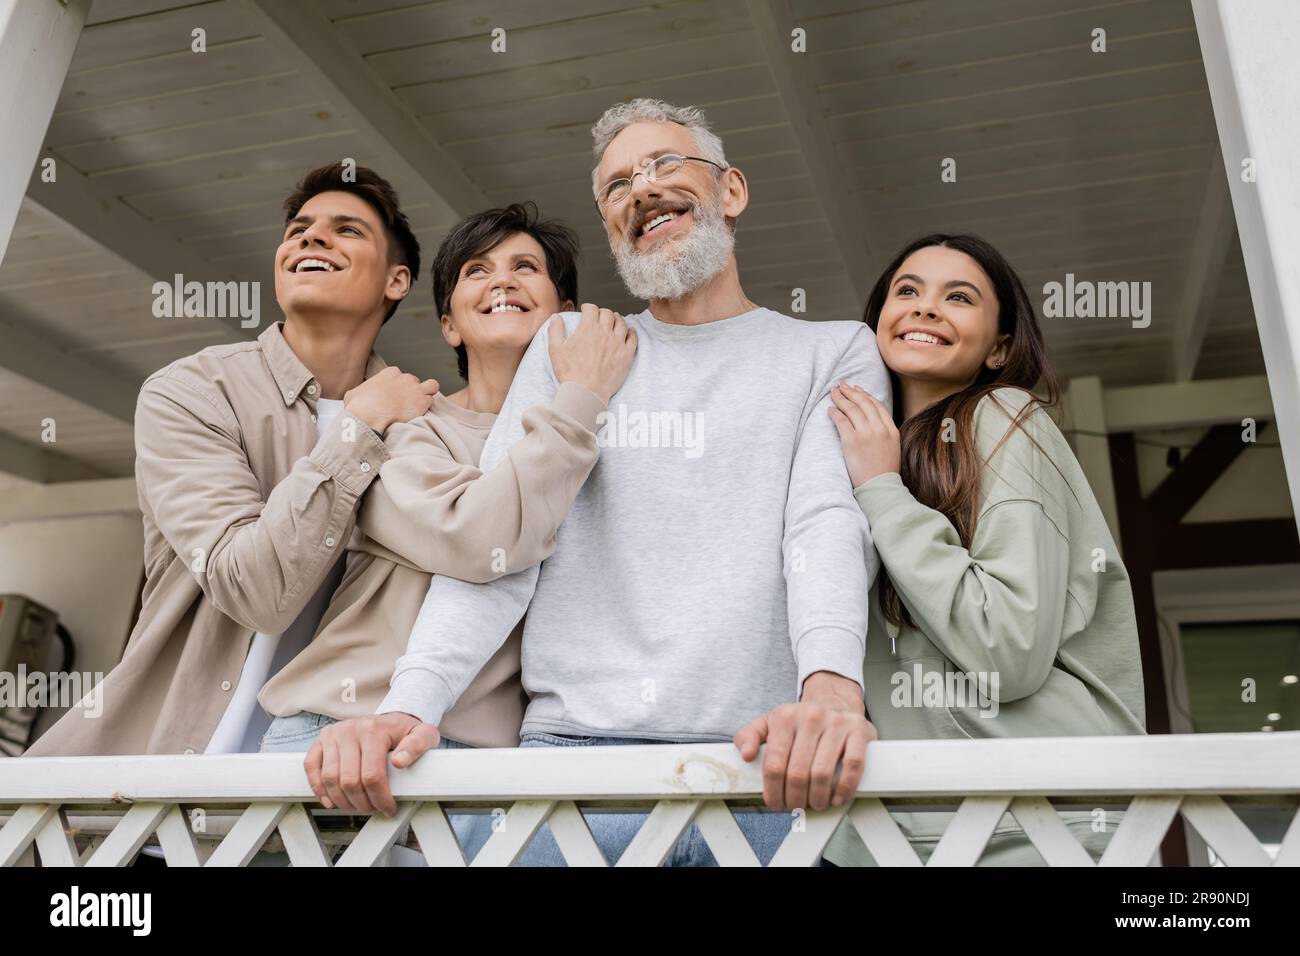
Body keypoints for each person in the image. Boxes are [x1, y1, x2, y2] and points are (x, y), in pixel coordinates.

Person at [309, 98, 892, 867]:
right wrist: (409, 704)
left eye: (662, 165)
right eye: (616, 187)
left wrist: (830, 691)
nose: (640, 190)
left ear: (732, 191)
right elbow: (505, 552)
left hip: (761, 764)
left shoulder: (834, 351)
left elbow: (825, 527)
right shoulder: (572, 347)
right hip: (569, 774)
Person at [25, 162, 438, 759]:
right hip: (156, 797)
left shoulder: (422, 425)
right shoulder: (192, 391)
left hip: (332, 794)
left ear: (396, 281)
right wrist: (359, 427)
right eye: (299, 228)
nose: (310, 238)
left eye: (347, 230)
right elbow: (256, 592)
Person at [256, 205, 634, 837]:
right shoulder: (405, 428)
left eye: (526, 268)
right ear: (449, 325)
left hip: (484, 770)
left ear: (564, 312)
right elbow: (476, 537)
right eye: (476, 271)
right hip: (339, 732)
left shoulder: (603, 446)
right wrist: (582, 398)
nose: (502, 281)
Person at [823, 234, 1146, 866]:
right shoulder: (847, 453)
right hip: (885, 833)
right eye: (907, 290)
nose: (924, 307)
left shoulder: (1006, 417)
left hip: (1034, 823)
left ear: (999, 348)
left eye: (959, 297)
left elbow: (1010, 648)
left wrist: (882, 490)